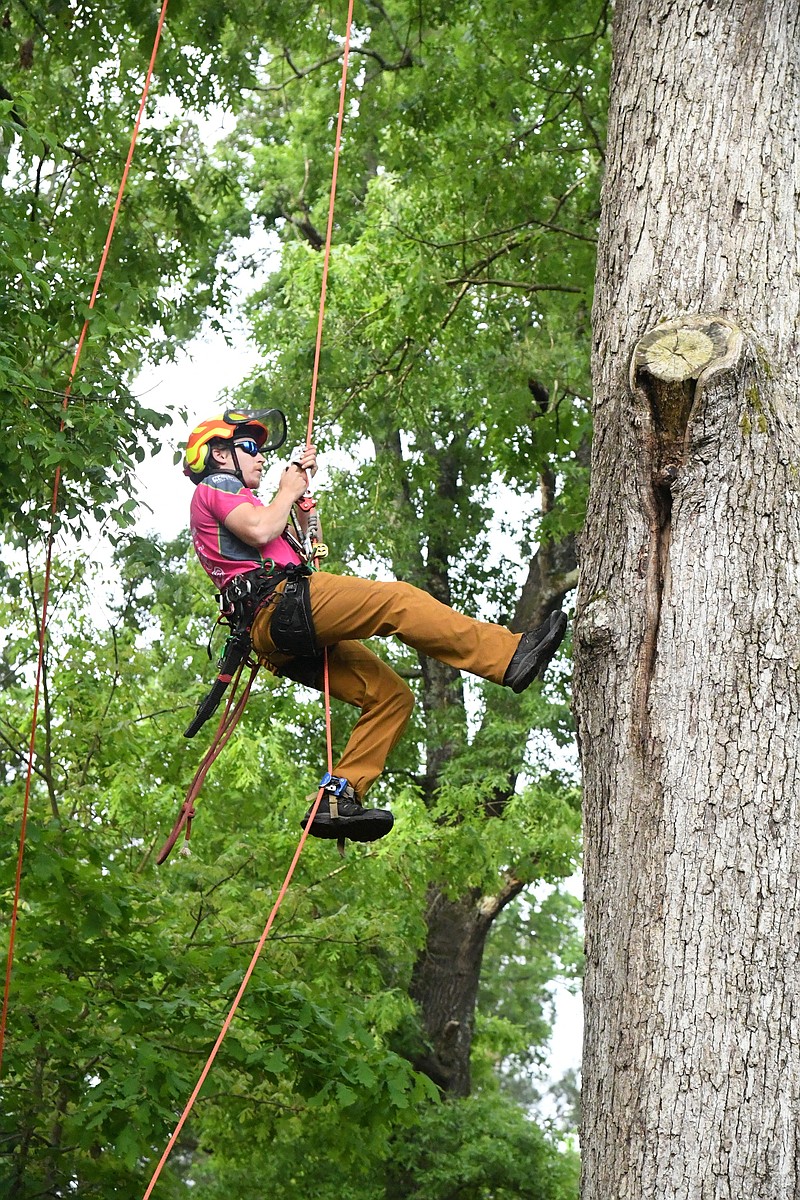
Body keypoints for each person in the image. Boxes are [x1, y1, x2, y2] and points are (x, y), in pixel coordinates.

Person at [185, 408, 568, 844]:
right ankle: (507, 656)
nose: (259, 458)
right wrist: (287, 490)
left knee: (391, 696)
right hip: (279, 607)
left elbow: (295, 548)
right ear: (218, 454)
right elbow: (259, 530)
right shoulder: (216, 488)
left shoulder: (246, 501)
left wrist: (303, 504)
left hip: (280, 629)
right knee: (398, 601)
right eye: (249, 448)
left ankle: (337, 798)